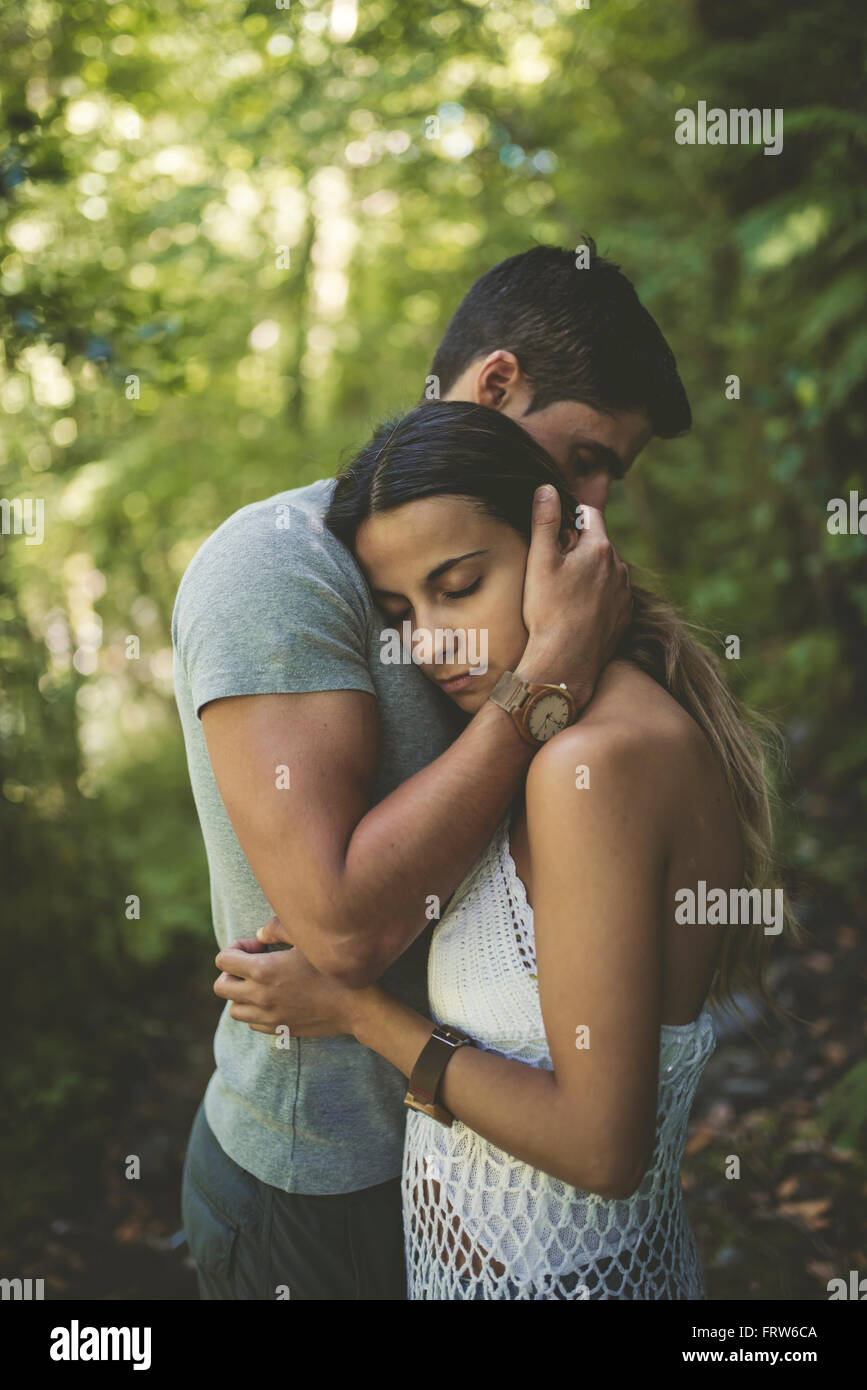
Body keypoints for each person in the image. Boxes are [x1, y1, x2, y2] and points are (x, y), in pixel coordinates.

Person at [174, 241, 690, 1300]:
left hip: (503, 1192)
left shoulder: (552, 592)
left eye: (609, 479)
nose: (593, 505)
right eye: (585, 455)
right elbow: (348, 933)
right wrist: (537, 685)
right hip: (325, 1188)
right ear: (498, 383)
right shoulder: (279, 568)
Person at [247, 400, 794, 1300]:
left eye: (458, 585)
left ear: (561, 550)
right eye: (399, 612)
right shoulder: (574, 737)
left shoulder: (590, 765)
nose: (431, 642)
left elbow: (600, 1147)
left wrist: (353, 1011)